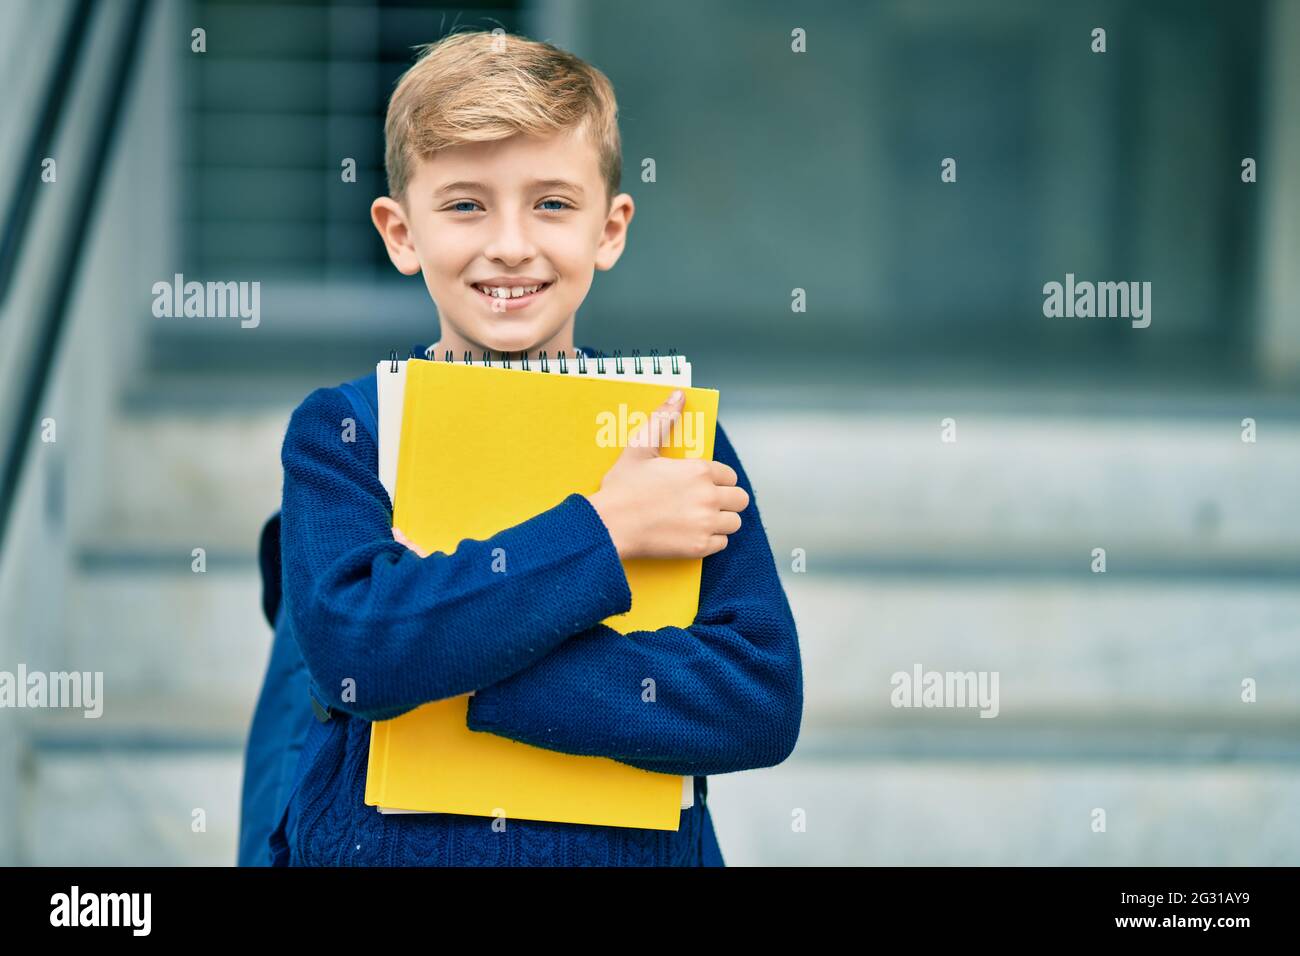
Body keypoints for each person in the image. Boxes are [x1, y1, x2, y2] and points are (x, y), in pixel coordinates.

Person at [249, 29, 803, 867]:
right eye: (466, 204)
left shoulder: (672, 439)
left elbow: (757, 698)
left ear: (609, 229)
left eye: (551, 203)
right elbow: (355, 653)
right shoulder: (345, 433)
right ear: (401, 234)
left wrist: (446, 652)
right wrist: (606, 533)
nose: (510, 244)